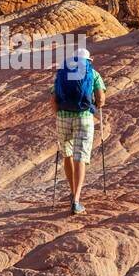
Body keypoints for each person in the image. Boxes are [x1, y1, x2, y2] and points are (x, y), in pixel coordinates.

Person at [51, 45, 105, 215]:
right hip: (84, 117)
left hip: (63, 117)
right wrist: (96, 105)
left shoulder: (62, 73)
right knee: (80, 156)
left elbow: (53, 100)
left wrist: (59, 113)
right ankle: (76, 200)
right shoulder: (93, 73)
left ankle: (72, 192)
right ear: (89, 61)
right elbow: (101, 98)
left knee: (67, 154)